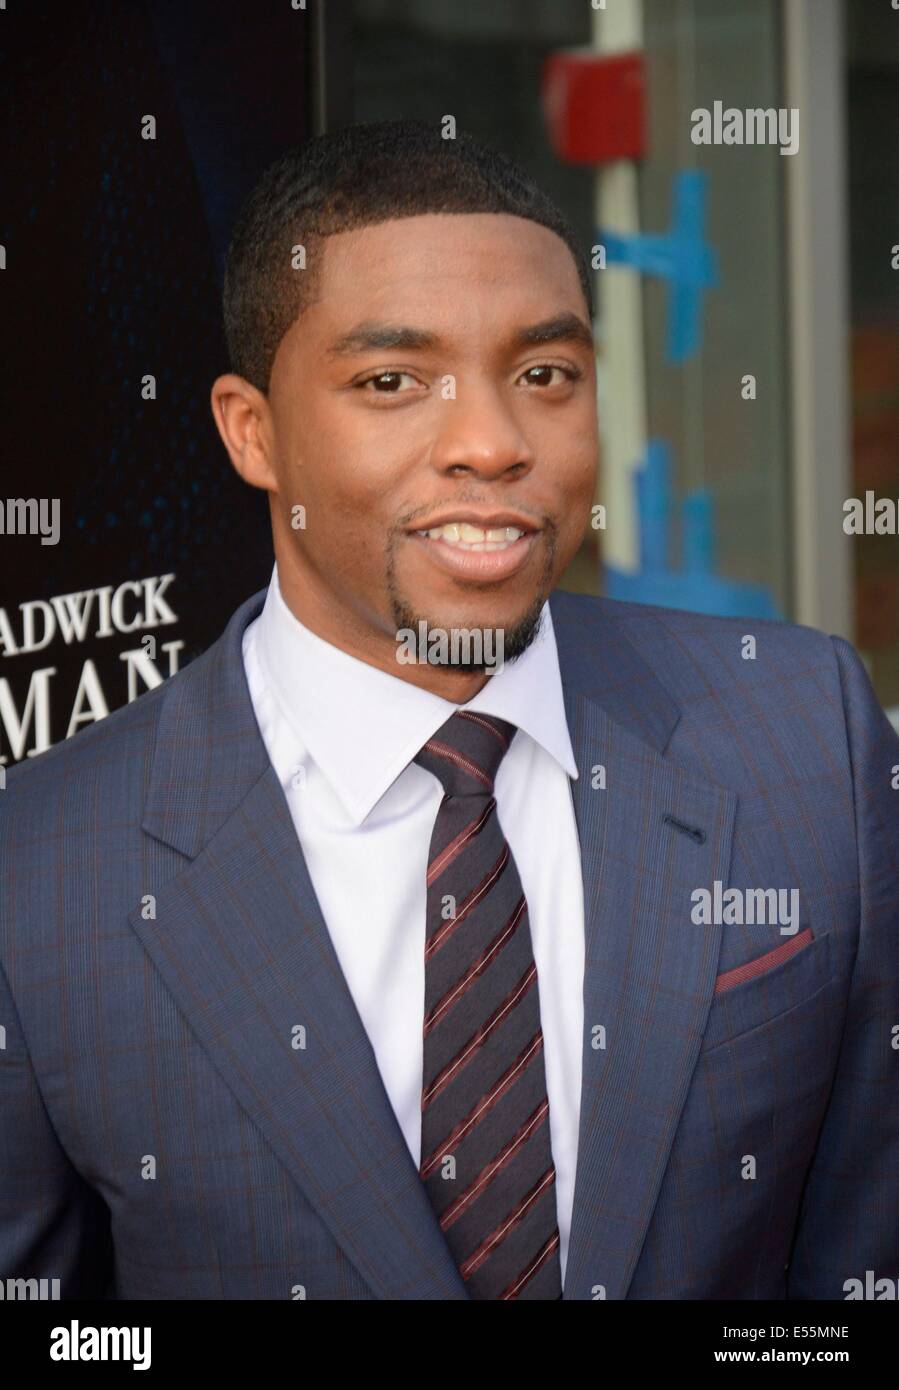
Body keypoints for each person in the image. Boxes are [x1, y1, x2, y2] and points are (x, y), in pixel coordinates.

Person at [1, 119, 896, 1300]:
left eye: (543, 375)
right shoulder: (44, 865)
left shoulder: (804, 732)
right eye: (391, 381)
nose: (490, 441)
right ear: (251, 431)